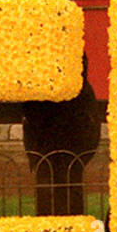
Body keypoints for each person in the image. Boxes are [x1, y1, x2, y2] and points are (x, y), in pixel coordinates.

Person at [22, 54, 103, 216]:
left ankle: (59, 230)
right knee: (57, 189)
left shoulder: (78, 90)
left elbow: (30, 119)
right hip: (57, 147)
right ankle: (58, 230)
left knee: (60, 189)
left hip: (61, 146)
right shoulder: (79, 90)